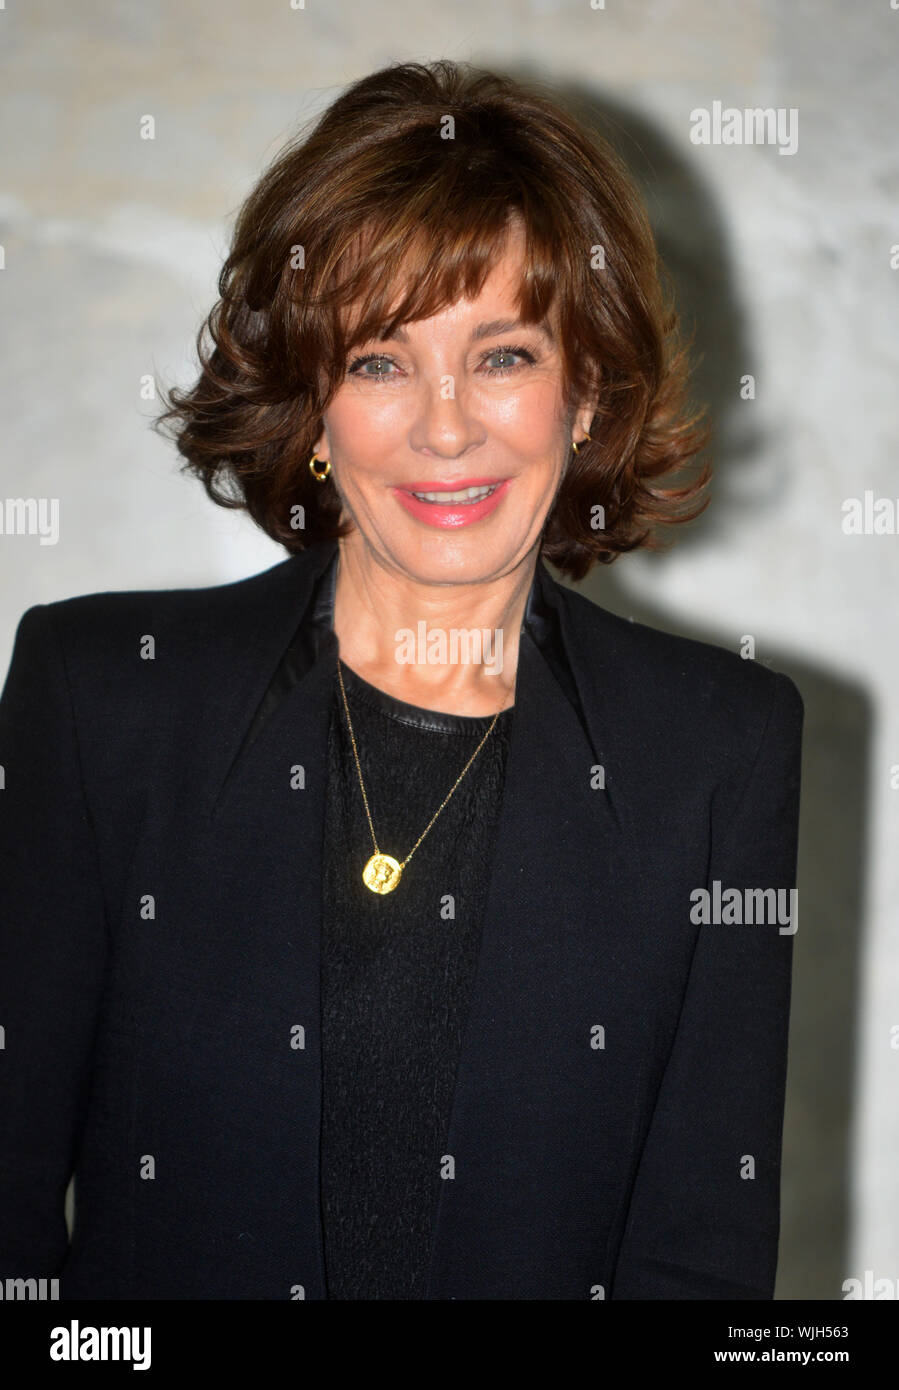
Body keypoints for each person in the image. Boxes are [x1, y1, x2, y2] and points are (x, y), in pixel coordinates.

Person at [0, 59, 803, 1300]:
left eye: (502, 357)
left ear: (585, 392)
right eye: (379, 361)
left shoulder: (721, 749)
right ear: (310, 406)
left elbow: (698, 1262)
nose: (443, 427)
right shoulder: (101, 698)